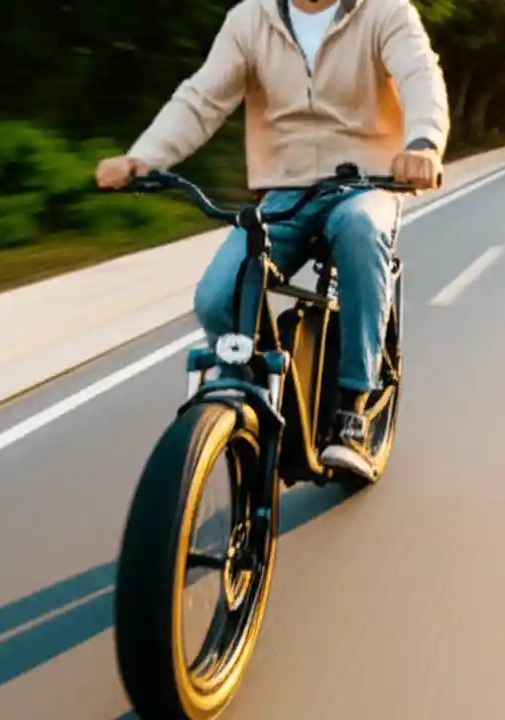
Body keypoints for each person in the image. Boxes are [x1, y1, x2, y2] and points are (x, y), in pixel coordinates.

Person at [97, 0, 449, 478]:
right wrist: (145, 158)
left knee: (362, 229)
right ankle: (250, 396)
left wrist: (422, 143)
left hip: (368, 182)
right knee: (218, 296)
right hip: (284, 191)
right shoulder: (251, 19)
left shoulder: (385, 11)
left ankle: (353, 406)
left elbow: (419, 76)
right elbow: (202, 99)